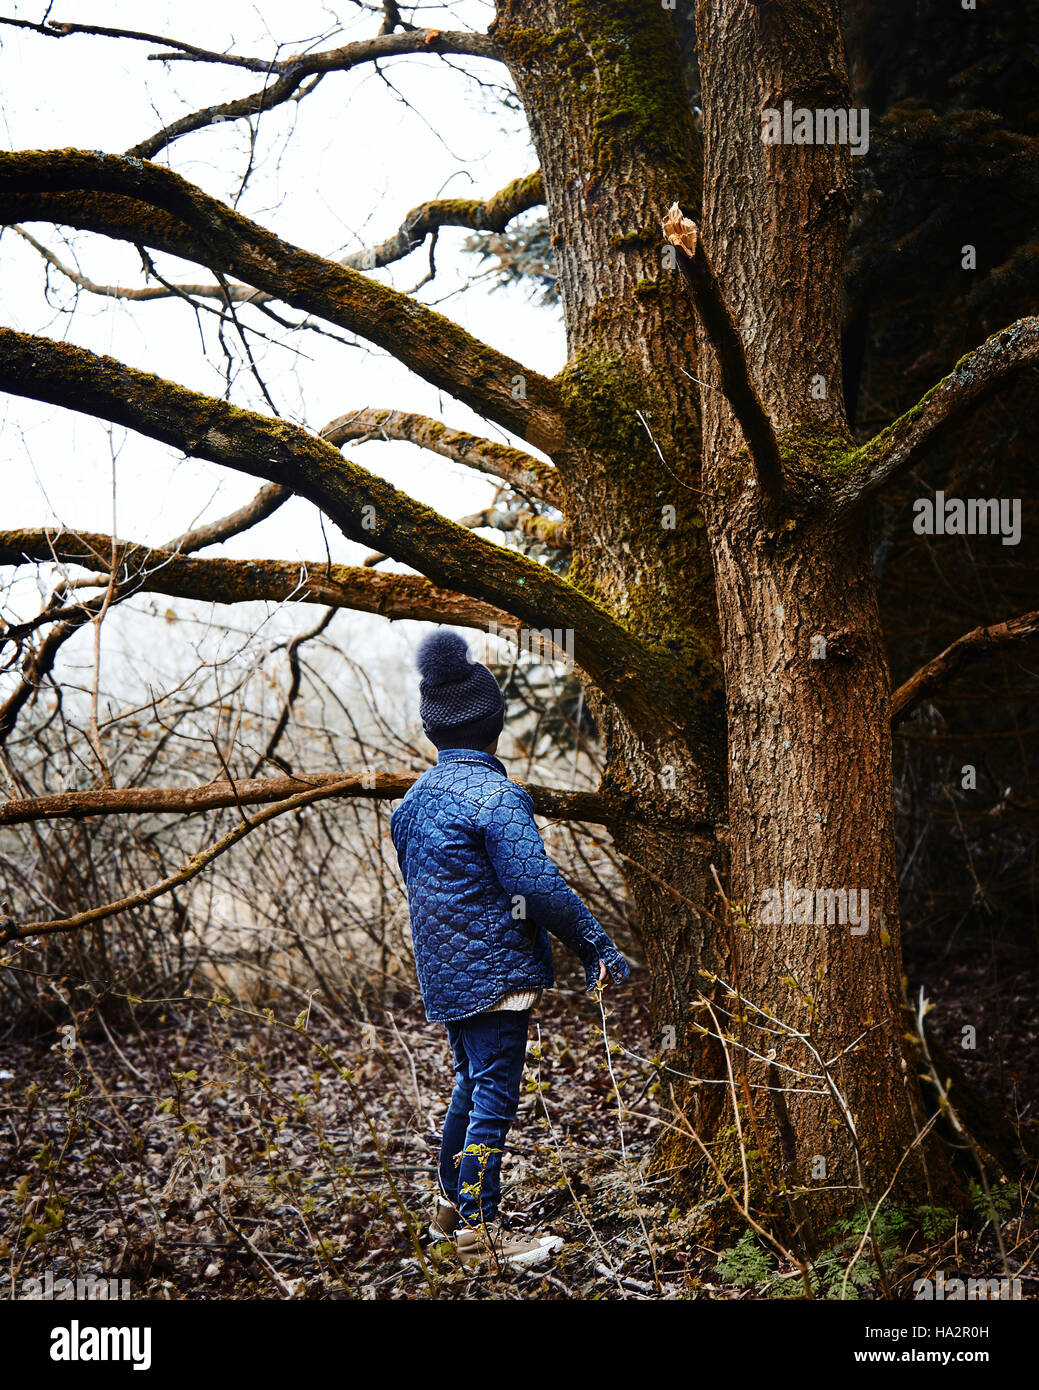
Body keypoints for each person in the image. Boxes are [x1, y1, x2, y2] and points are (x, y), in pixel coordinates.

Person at [390, 630, 630, 1268]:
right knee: (493, 1094)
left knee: (471, 1083)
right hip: (497, 973)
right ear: (494, 726)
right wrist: (594, 943)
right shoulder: (498, 797)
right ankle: (477, 1232)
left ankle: (447, 1219)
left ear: (433, 732)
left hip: (445, 977)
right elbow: (533, 885)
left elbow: (431, 889)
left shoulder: (410, 806)